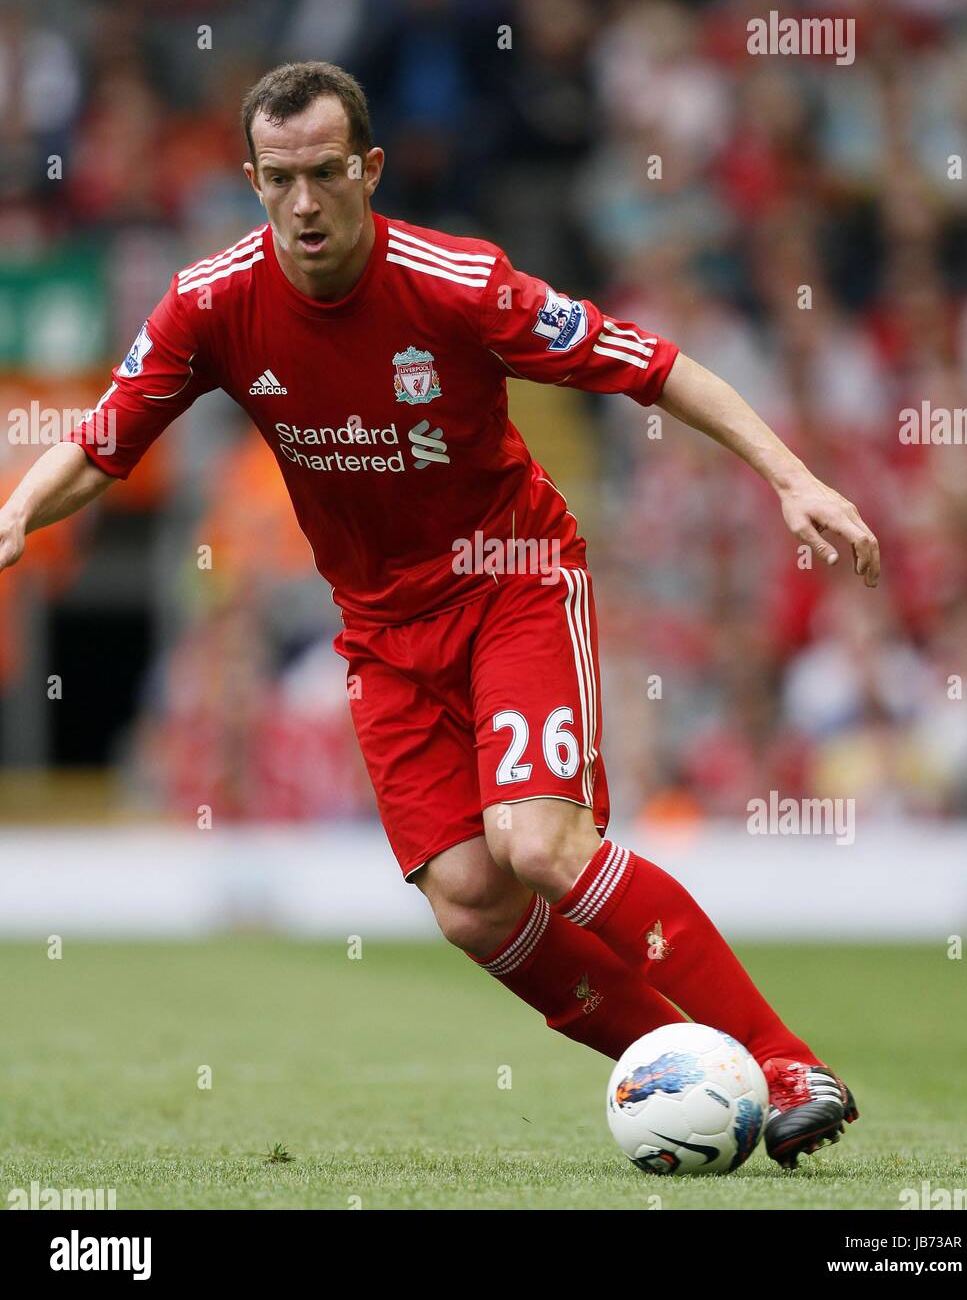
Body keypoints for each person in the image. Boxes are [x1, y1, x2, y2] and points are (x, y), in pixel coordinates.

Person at [0, 62, 879, 1168]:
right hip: (379, 629)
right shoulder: (211, 304)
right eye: (281, 180)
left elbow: (654, 366)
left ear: (368, 169)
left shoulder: (461, 283)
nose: (305, 203)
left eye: (326, 173)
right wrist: (19, 512)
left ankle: (787, 1060)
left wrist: (792, 478)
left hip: (511, 583)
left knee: (538, 842)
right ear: (251, 181)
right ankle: (694, 1064)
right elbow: (101, 442)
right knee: (469, 899)